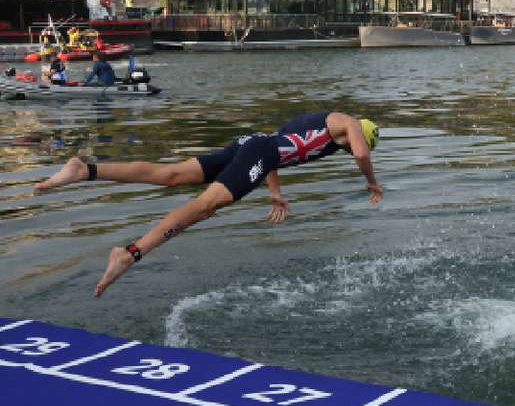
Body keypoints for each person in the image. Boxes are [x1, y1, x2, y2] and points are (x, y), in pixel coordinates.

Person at [34, 112, 382, 297]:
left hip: (250, 145)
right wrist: (371, 181)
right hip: (259, 150)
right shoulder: (347, 122)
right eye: (351, 146)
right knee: (206, 205)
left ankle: (86, 170)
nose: (350, 150)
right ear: (361, 133)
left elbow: (272, 147)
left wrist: (275, 193)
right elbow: (362, 153)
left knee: (170, 174)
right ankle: (131, 253)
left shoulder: (314, 123)